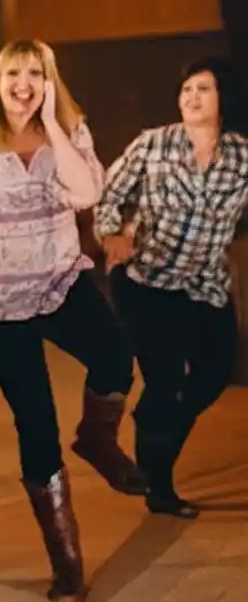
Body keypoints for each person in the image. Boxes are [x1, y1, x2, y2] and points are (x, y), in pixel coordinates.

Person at [0, 39, 144, 602]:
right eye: (13, 74)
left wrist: (52, 120)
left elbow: (88, 192)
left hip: (61, 281)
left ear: (50, 80)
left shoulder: (69, 133)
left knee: (117, 358)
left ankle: (97, 440)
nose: (23, 84)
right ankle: (67, 564)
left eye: (35, 74)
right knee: (36, 424)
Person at [95, 57, 248, 519]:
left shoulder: (241, 156)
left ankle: (157, 424)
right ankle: (159, 488)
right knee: (163, 383)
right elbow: (109, 193)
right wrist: (112, 233)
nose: (191, 97)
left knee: (215, 374)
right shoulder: (153, 144)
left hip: (205, 286)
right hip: (146, 284)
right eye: (186, 90)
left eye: (203, 89)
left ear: (223, 99)